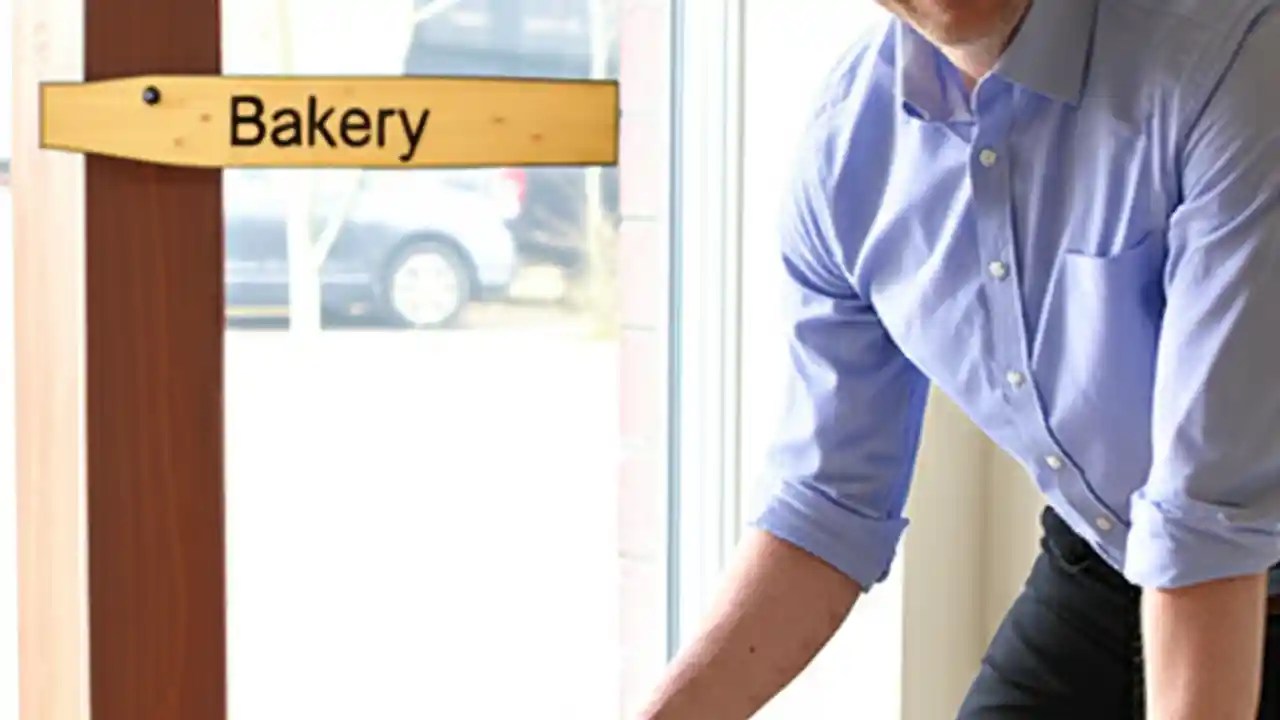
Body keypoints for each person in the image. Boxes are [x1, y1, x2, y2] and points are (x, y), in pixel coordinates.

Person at [638, 0, 1280, 717]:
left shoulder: (1235, 58)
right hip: (1108, 553)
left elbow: (1209, 515)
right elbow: (829, 506)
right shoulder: (849, 148)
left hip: (1236, 546)